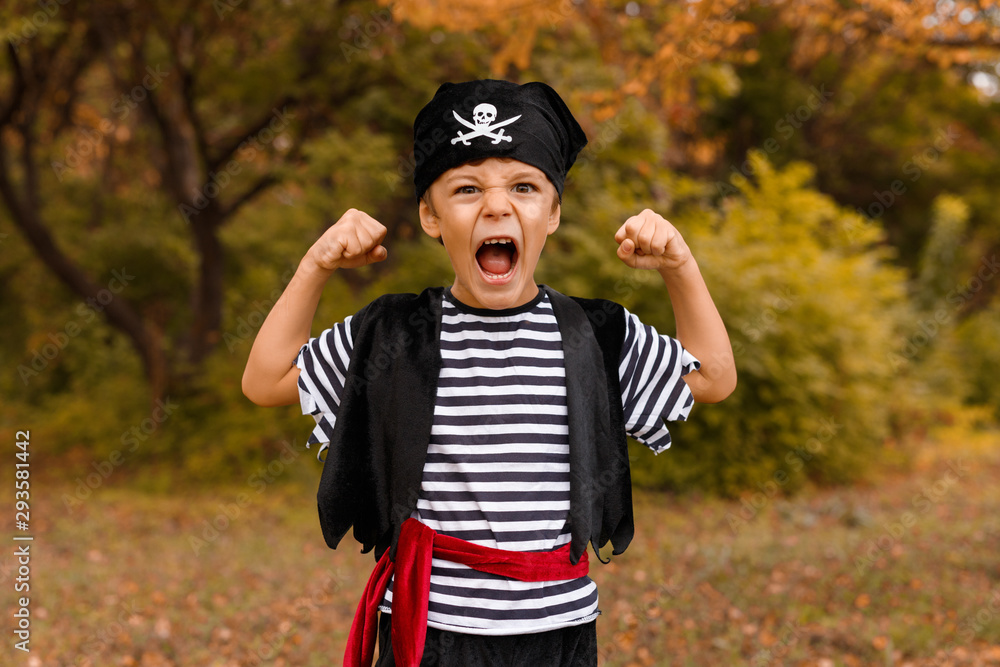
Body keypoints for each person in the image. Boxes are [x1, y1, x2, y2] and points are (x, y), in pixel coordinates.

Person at [242, 79, 736, 667]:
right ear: (431, 216)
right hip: (430, 630)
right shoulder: (395, 333)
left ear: (551, 214)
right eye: (467, 188)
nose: (496, 206)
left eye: (524, 187)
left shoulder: (594, 336)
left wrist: (679, 266)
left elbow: (711, 379)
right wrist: (316, 263)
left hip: (558, 629)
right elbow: (266, 380)